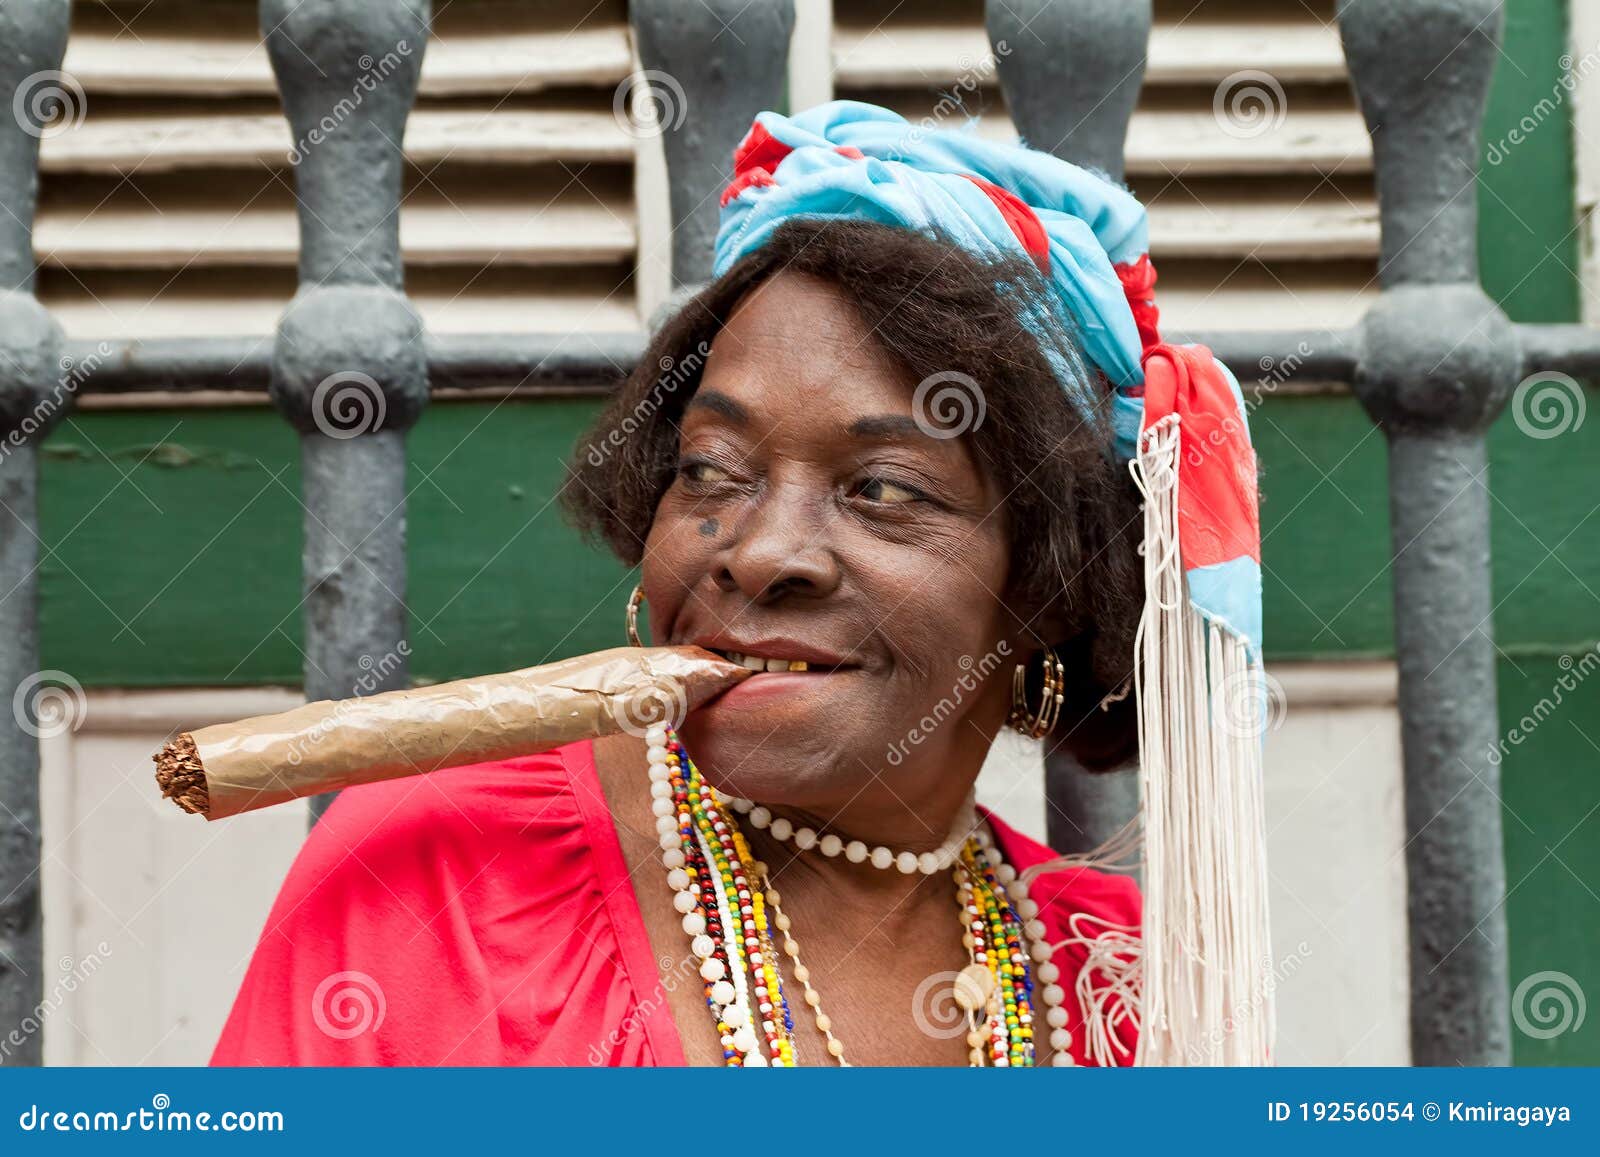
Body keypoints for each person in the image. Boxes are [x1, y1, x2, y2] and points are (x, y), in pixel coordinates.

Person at [212, 100, 1265, 1068]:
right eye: (712, 469)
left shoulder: (1116, 985)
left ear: (1042, 582)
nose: (761, 553)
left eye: (882, 488)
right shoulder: (436, 875)